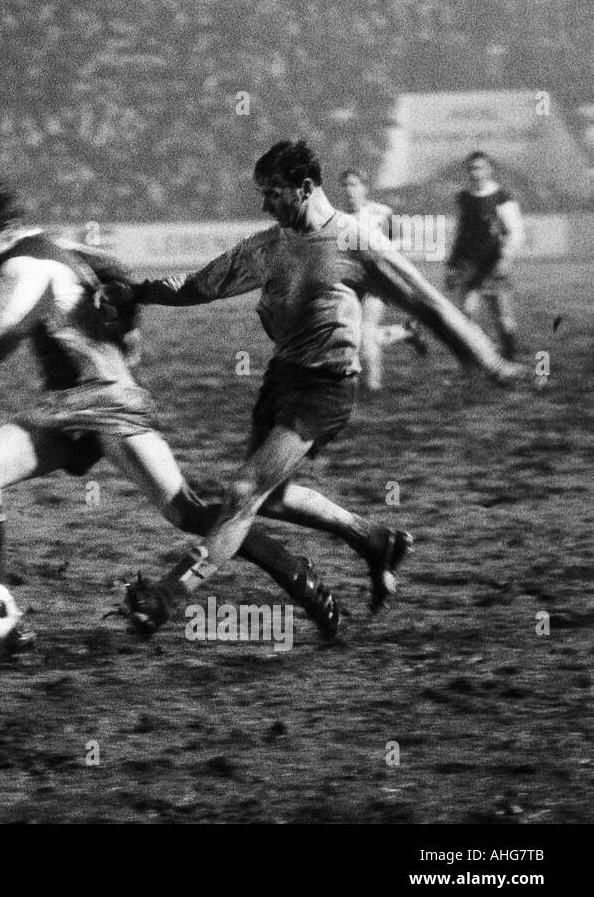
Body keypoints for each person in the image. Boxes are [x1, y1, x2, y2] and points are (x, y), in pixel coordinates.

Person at [114, 141, 526, 635]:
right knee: (274, 499)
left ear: (306, 188)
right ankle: (375, 539)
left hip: (325, 388)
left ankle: (166, 596)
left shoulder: (356, 243)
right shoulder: (268, 246)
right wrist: (137, 291)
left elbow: (429, 304)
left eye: (272, 193)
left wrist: (488, 360)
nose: (265, 204)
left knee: (244, 491)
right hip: (282, 378)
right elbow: (197, 287)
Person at [0, 184, 339, 652]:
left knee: (188, 512)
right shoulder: (63, 248)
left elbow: (7, 328)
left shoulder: (25, 263)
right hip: (70, 408)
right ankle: (4, 623)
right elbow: (117, 270)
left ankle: (296, 574)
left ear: (9, 231)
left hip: (106, 402)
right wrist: (131, 332)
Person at [337, 168, 427, 392]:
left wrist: (379, 252)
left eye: (354, 184)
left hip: (377, 283)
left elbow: (402, 241)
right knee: (349, 337)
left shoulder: (381, 213)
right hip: (351, 284)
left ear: (365, 188)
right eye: (346, 185)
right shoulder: (336, 219)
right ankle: (406, 331)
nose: (350, 190)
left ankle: (373, 387)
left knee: (365, 334)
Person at [447, 151, 525, 361]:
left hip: (493, 265)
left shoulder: (502, 197)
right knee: (466, 315)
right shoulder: (463, 197)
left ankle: (509, 360)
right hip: (470, 266)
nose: (476, 173)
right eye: (472, 168)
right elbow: (461, 233)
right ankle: (477, 361)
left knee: (503, 318)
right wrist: (452, 265)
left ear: (489, 170)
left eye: (480, 168)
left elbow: (516, 232)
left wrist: (506, 259)